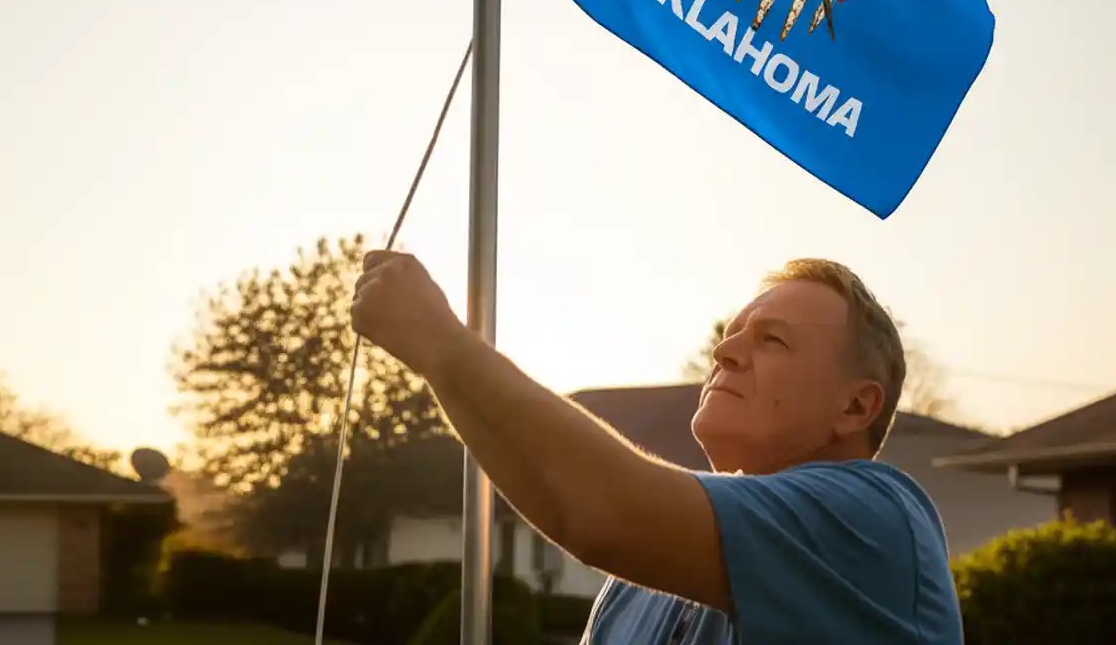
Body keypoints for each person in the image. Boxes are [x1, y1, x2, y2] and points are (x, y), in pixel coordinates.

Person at [351, 251, 963, 644]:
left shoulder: (878, 514)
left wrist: (438, 344)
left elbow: (595, 508)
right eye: (732, 335)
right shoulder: (637, 581)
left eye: (772, 341)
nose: (725, 353)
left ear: (857, 406)